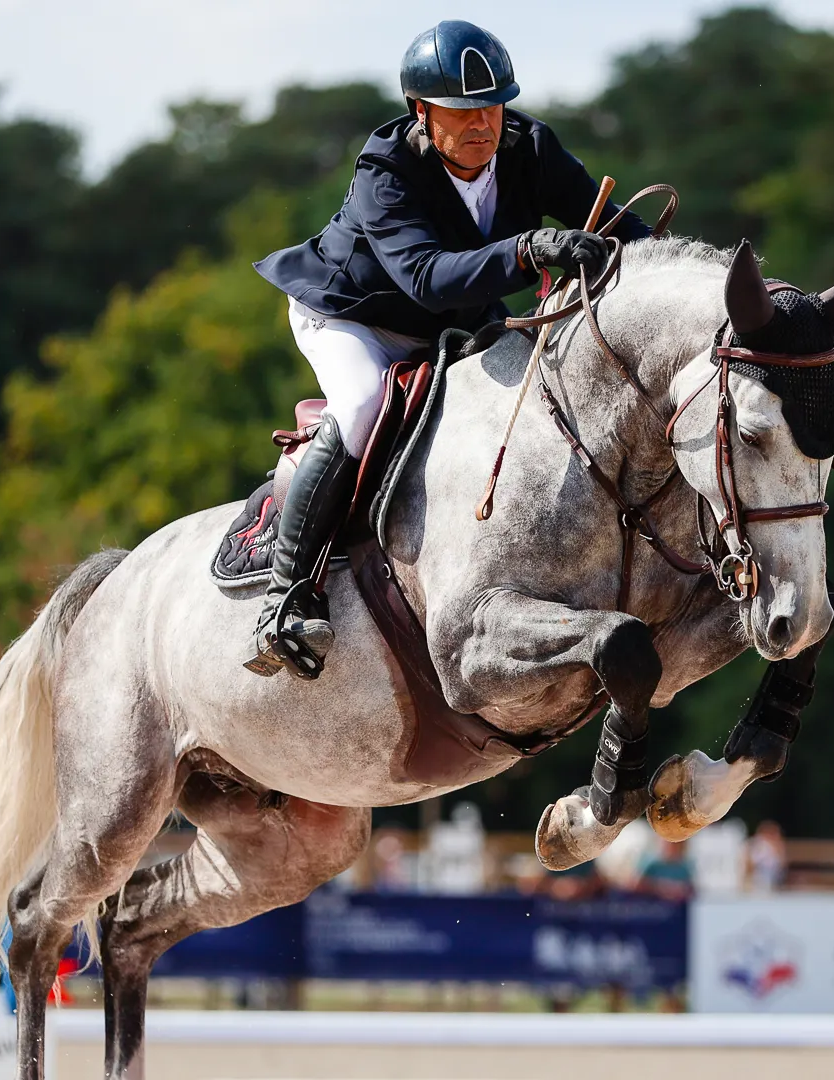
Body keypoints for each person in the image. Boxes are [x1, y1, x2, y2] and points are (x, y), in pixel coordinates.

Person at [244, 20, 652, 678]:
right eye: (463, 113)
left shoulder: (531, 147)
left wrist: (675, 267)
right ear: (421, 111)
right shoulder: (386, 171)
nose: (483, 125)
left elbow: (613, 225)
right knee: (364, 404)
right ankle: (286, 599)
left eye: (492, 107)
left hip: (455, 321)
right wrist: (527, 251)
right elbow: (427, 279)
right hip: (353, 318)